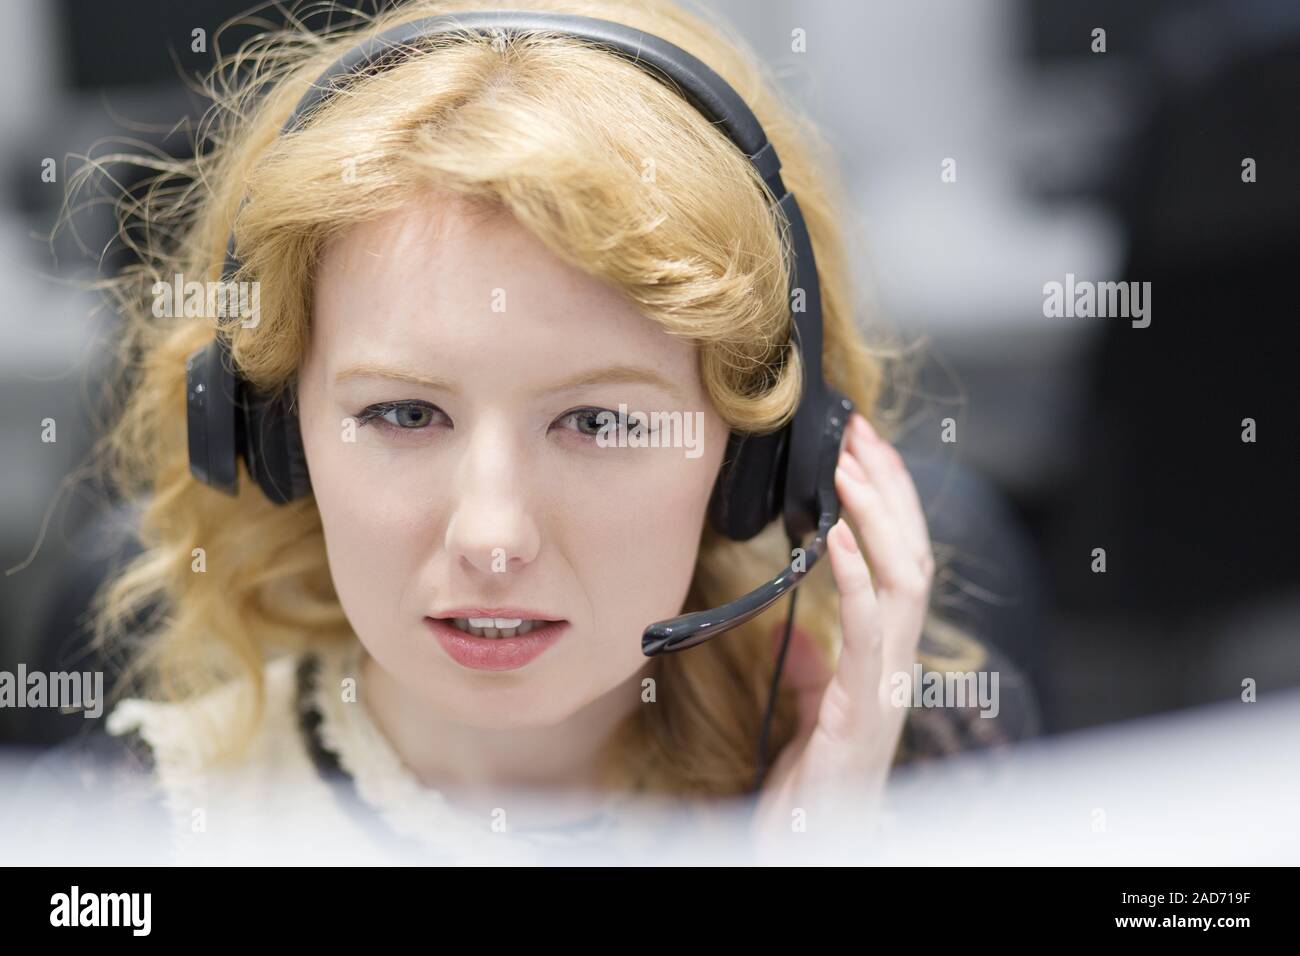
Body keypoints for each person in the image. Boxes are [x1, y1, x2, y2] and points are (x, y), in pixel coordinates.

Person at [38, 0, 1037, 864]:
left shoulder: (919, 779)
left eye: (598, 419)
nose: (491, 536)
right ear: (269, 429)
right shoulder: (137, 823)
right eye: (404, 413)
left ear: (760, 452)